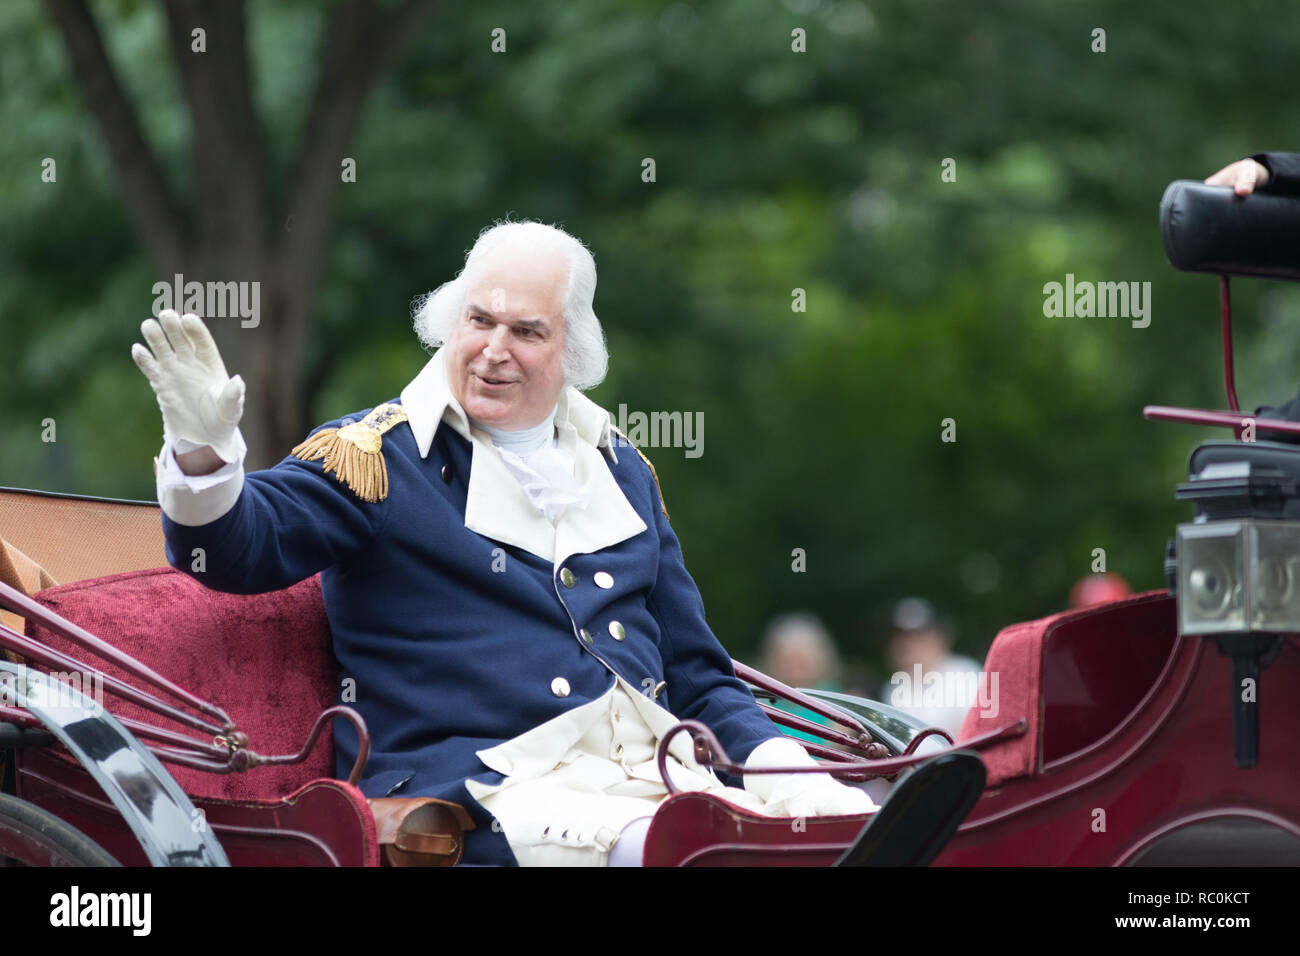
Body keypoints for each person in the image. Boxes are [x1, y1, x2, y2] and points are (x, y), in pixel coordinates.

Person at [131, 219, 874, 866]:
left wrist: (793, 775)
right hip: (471, 800)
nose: (493, 349)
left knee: (840, 831)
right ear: (448, 324)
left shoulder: (622, 472)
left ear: (572, 353)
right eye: (479, 320)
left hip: (655, 779)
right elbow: (230, 552)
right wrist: (203, 451)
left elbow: (698, 675)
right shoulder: (376, 458)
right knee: (703, 850)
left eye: (525, 331)